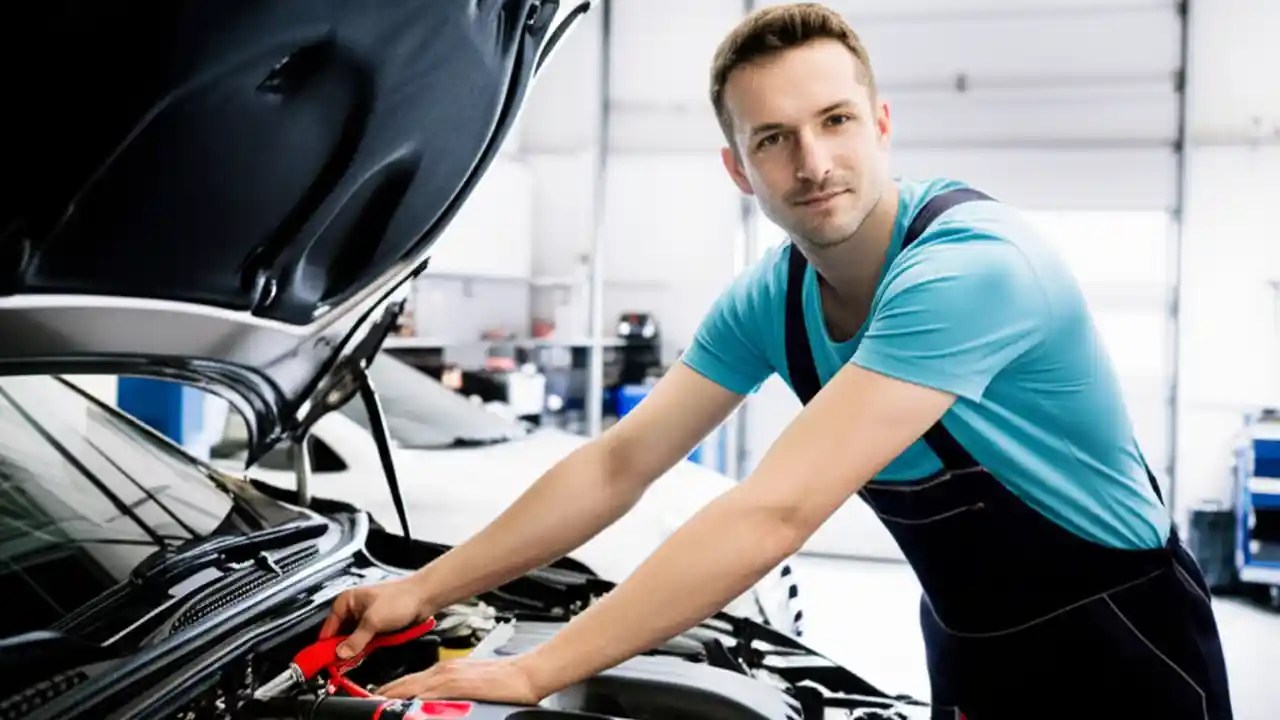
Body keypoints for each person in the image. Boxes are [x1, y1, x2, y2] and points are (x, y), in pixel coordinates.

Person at [319, 4, 1233, 717]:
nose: (814, 160)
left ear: (880, 123)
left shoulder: (971, 270)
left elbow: (774, 512)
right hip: (966, 637)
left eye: (835, 120)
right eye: (774, 139)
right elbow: (617, 462)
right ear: (737, 169)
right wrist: (422, 588)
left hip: (1122, 643)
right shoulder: (772, 299)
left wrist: (535, 674)